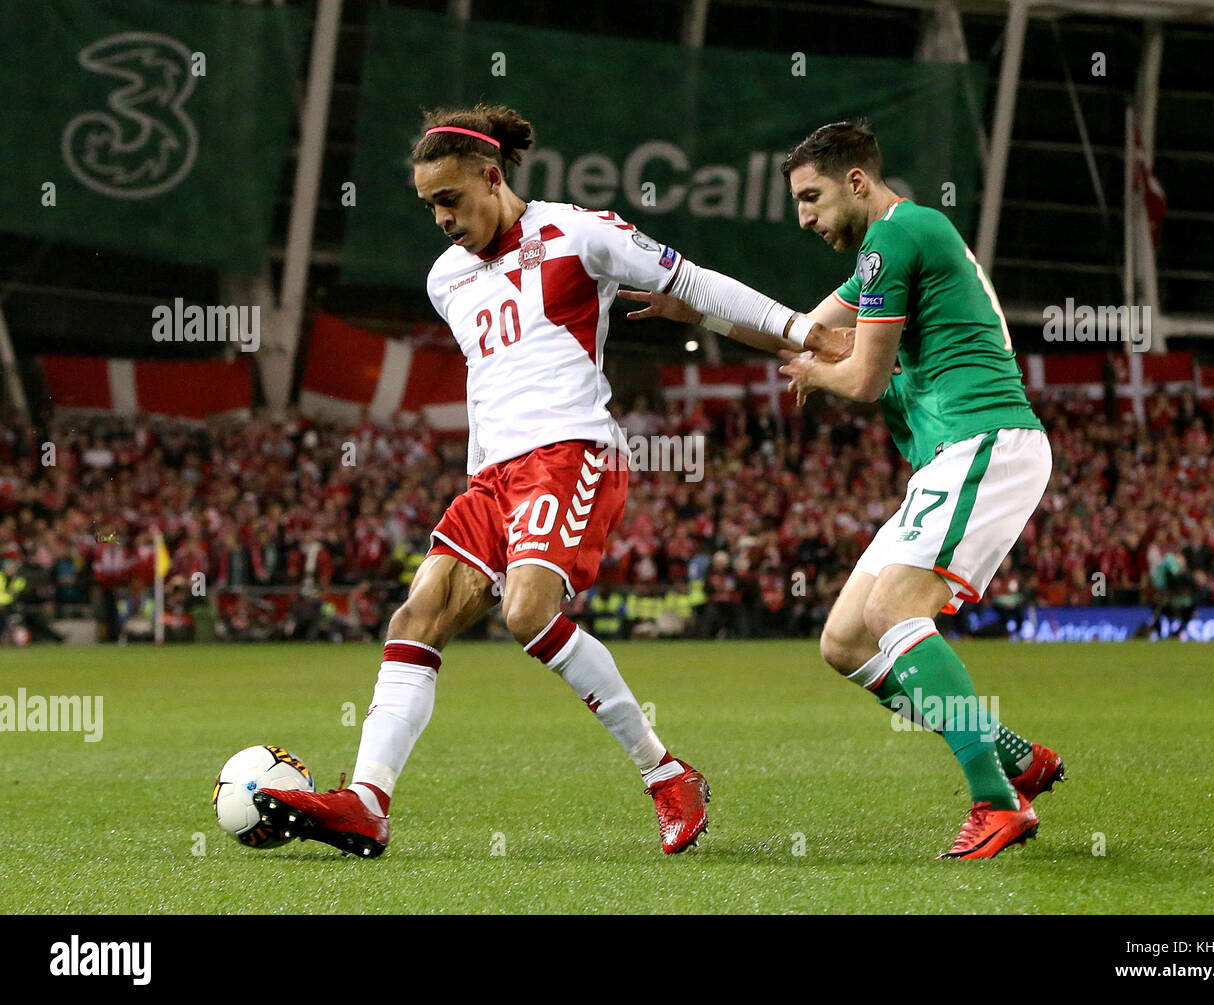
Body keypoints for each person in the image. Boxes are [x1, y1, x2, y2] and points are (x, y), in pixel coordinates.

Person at [256, 103, 845, 858]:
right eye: (427, 204)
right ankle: (368, 802)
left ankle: (666, 772)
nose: (439, 219)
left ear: (491, 177)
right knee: (416, 618)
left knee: (527, 609)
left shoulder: (580, 232)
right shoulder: (446, 279)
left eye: (449, 199)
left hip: (570, 454)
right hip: (490, 477)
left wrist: (805, 331)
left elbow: (697, 285)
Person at [622, 120, 1063, 859]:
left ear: (856, 182)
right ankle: (1013, 753)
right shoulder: (884, 254)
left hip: (986, 441)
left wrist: (820, 370)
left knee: (894, 609)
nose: (803, 217)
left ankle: (996, 798)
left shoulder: (897, 237)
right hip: (949, 457)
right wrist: (698, 312)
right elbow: (802, 330)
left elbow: (859, 378)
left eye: (811, 197)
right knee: (846, 639)